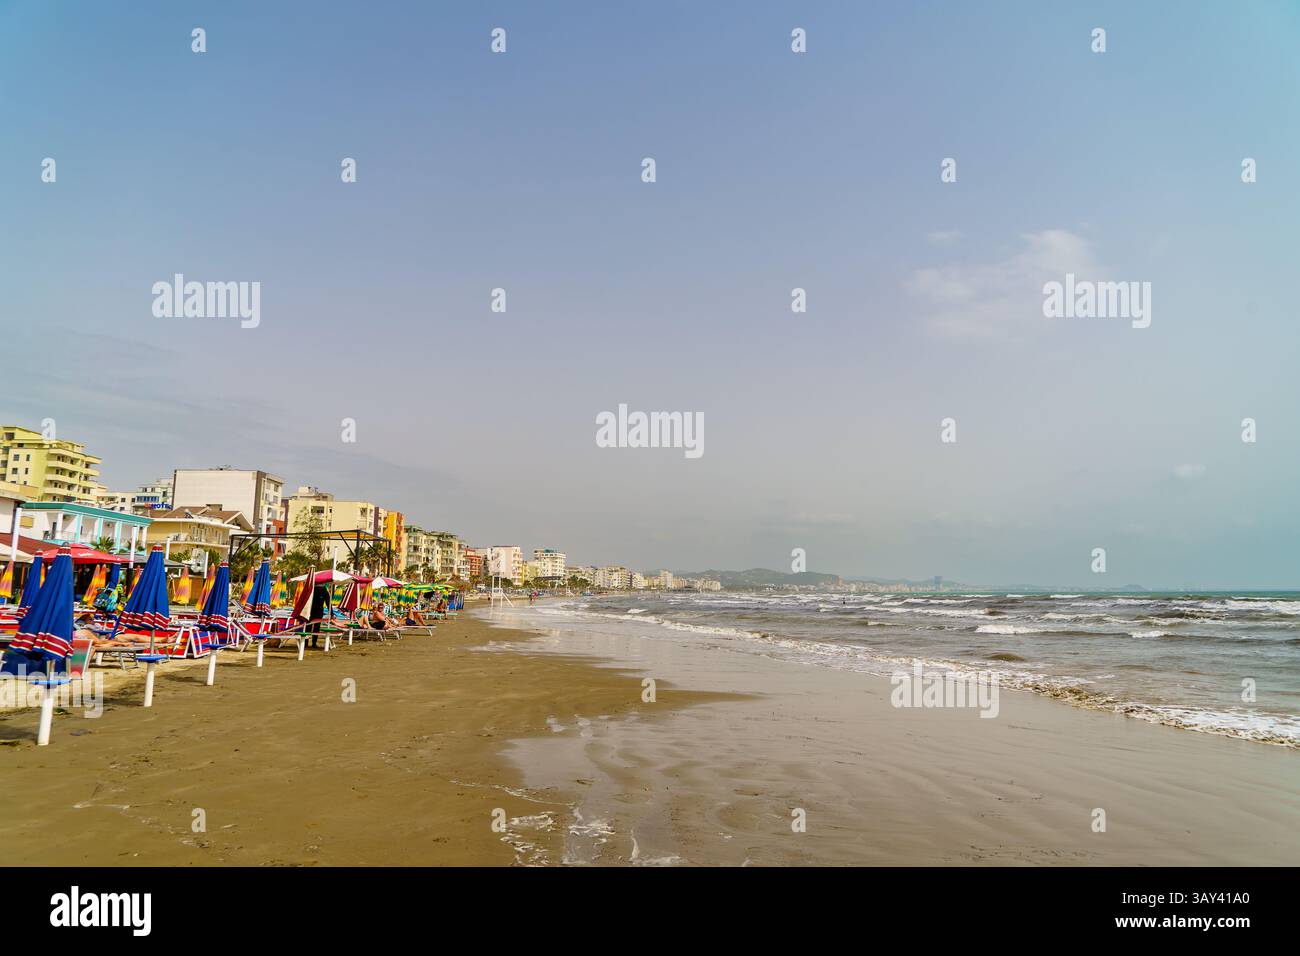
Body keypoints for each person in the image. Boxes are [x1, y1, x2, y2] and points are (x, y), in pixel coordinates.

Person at [307, 582, 331, 649]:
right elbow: (328, 602)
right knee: (316, 627)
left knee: (308, 626)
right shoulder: (323, 590)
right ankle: (313, 643)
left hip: (310, 610)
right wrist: (331, 613)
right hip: (317, 611)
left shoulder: (311, 589)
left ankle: (306, 643)